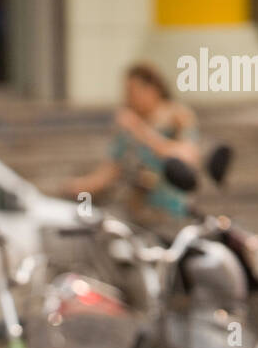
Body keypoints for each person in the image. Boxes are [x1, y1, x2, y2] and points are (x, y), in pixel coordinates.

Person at [62, 61, 201, 234]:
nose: (127, 98)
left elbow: (185, 155)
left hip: (172, 215)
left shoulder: (177, 117)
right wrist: (80, 186)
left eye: (132, 92)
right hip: (137, 214)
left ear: (152, 89)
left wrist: (140, 130)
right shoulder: (128, 128)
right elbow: (111, 169)